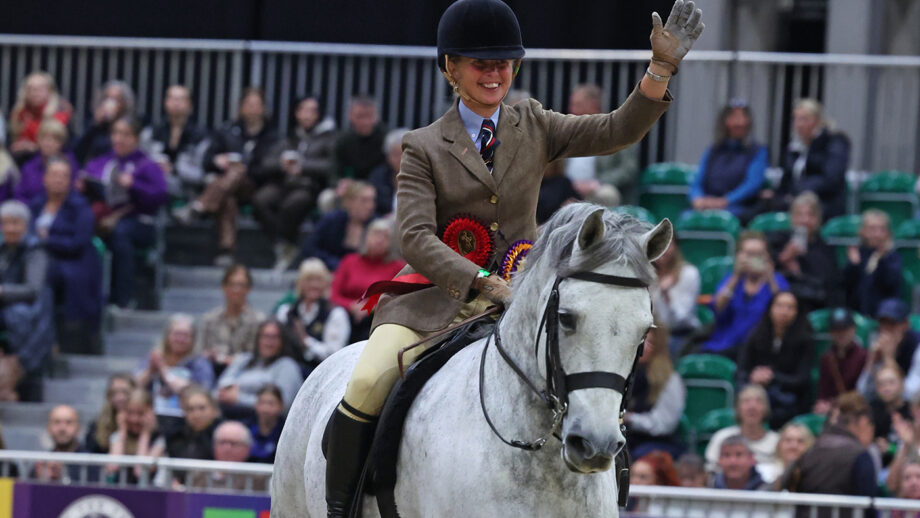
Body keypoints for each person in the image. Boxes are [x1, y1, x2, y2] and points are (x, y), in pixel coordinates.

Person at [323, 0, 704, 514]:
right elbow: (414, 237)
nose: (494, 73)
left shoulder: (534, 122)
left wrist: (659, 69)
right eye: (481, 63)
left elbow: (615, 130)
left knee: (592, 392)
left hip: (522, 302)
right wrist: (479, 280)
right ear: (450, 68)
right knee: (368, 382)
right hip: (434, 301)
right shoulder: (423, 147)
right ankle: (340, 508)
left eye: (503, 63)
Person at [173, 87, 278, 266]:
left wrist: (246, 167)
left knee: (238, 171)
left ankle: (198, 206)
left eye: (256, 104)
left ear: (263, 108)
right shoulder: (227, 130)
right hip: (226, 188)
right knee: (227, 199)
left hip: (255, 188)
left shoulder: (272, 136)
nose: (252, 108)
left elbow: (269, 168)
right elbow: (206, 160)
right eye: (248, 104)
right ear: (241, 107)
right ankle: (226, 252)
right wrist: (217, 160)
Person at [82, 115, 169, 308]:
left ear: (136, 139)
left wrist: (135, 185)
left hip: (139, 221)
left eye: (125, 134)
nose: (119, 139)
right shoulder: (101, 161)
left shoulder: (147, 165)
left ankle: (123, 297)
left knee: (119, 234)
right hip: (100, 218)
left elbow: (161, 196)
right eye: (116, 133)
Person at [254, 94, 337, 270]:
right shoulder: (289, 137)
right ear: (296, 113)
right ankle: (284, 243)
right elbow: (266, 162)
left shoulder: (327, 138)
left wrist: (303, 166)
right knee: (261, 199)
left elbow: (332, 165)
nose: (307, 115)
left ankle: (286, 244)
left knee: (293, 203)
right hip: (283, 183)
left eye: (312, 111)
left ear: (319, 114)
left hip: (309, 186)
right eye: (303, 110)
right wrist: (281, 164)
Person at [30, 157, 103, 354]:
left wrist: (48, 240)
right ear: (45, 178)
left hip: (74, 261)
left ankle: (49, 340)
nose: (59, 180)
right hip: (36, 259)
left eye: (64, 176)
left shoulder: (80, 207)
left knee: (45, 280)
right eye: (54, 175)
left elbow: (78, 243)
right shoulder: (36, 204)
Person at [780, 392, 877, 510]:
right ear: (863, 421)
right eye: (871, 426)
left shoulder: (811, 449)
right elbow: (867, 507)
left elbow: (786, 484)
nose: (872, 434)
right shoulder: (860, 455)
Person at [701, 231, 789, 359]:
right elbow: (718, 308)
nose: (753, 259)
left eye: (759, 254)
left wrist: (769, 276)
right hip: (727, 345)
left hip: (761, 348)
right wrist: (736, 276)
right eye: (749, 254)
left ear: (767, 256)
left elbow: (783, 308)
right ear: (738, 255)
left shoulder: (777, 281)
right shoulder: (731, 280)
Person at [0, 199, 54, 402]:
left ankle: (10, 379)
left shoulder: (36, 249)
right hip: (5, 307)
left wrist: (3, 291)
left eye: (16, 223)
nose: (10, 228)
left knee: (22, 319)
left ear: (25, 225)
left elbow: (33, 289)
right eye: (5, 223)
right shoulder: (2, 248)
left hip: (31, 308)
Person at [736, 291, 814, 428]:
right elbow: (742, 370)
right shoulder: (756, 335)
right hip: (758, 392)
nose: (784, 311)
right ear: (770, 309)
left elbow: (802, 379)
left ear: (797, 311)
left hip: (789, 400)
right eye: (779, 306)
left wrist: (773, 377)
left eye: (790, 307)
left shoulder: (805, 340)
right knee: (747, 395)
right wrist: (754, 376)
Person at [688, 99, 768, 224]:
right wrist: (697, 198)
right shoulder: (713, 151)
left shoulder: (757, 151)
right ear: (724, 121)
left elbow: (752, 185)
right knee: (685, 219)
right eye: (734, 117)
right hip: (707, 205)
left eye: (743, 117)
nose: (739, 122)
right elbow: (697, 181)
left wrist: (725, 201)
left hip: (738, 208)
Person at [135, 314, 215, 436]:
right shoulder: (154, 358)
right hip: (152, 419)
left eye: (185, 335)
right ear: (167, 336)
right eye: (177, 334)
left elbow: (198, 393)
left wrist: (163, 370)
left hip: (187, 423)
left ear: (193, 339)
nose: (180, 339)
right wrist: (150, 371)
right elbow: (132, 387)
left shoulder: (200, 363)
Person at [771, 98, 850, 221]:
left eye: (804, 119)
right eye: (796, 119)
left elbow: (831, 179)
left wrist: (799, 190)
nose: (799, 124)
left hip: (824, 203)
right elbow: (785, 180)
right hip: (792, 203)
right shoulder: (793, 147)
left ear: (818, 120)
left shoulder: (835, 141)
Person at [767, 191, 843, 313]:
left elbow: (827, 285)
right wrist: (785, 257)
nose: (805, 220)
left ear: (818, 219)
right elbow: (764, 268)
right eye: (800, 215)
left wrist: (799, 275)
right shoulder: (777, 240)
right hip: (778, 303)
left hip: (812, 305)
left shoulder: (825, 249)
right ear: (792, 217)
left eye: (810, 215)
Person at [330, 219, 405, 343]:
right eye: (376, 234)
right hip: (346, 315)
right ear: (366, 237)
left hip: (378, 319)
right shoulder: (349, 261)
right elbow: (334, 295)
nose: (380, 240)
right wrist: (351, 306)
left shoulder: (398, 267)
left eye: (385, 236)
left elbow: (398, 300)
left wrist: (369, 307)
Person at [565, 83, 640, 205]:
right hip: (568, 188)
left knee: (607, 195)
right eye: (572, 105)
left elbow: (629, 169)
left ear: (594, 106)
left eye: (578, 105)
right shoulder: (566, 130)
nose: (572, 110)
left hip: (599, 188)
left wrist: (596, 183)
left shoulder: (616, 129)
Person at [214, 319, 304, 420]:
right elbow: (217, 389)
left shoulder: (287, 365)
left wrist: (239, 398)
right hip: (227, 416)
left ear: (283, 341)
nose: (269, 342)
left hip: (267, 424)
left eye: (274, 337)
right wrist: (225, 394)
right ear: (258, 339)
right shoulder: (244, 359)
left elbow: (283, 405)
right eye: (265, 336)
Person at [623, 324, 686, 459]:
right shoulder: (624, 376)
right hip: (626, 438)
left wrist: (630, 419)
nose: (641, 346)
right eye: (639, 341)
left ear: (657, 348)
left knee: (638, 455)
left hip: (656, 443)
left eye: (648, 342)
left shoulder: (669, 379)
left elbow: (665, 424)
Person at [277, 259, 350, 374]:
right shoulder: (286, 311)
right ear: (300, 283)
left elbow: (334, 354)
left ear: (326, 284)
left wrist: (307, 341)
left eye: (319, 280)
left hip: (319, 372)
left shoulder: (335, 314)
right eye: (309, 280)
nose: (314, 285)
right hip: (287, 367)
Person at [195, 264, 266, 376]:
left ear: (249, 289)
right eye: (232, 284)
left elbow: (259, 357)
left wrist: (232, 360)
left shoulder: (259, 321)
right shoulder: (209, 319)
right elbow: (199, 352)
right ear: (224, 287)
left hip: (245, 373)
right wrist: (210, 355)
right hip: (211, 371)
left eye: (241, 285)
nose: (236, 290)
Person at [139, 85, 208, 196]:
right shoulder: (152, 132)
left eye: (181, 99)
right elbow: (140, 159)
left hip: (188, 191)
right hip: (154, 186)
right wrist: (155, 165)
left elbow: (202, 173)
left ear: (190, 105)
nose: (176, 103)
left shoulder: (200, 136)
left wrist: (175, 169)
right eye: (172, 98)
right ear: (165, 103)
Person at [301, 180, 376, 271]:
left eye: (372, 200)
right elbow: (309, 247)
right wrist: (335, 263)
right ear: (348, 202)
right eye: (364, 200)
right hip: (332, 271)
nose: (370, 206)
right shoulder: (332, 220)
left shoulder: (376, 225)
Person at [705, 384, 779, 475]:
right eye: (746, 401)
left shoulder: (777, 441)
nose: (752, 407)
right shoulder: (722, 437)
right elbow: (710, 472)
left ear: (766, 409)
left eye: (759, 401)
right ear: (737, 409)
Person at [857, 299, 920, 400]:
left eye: (892, 324)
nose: (886, 329)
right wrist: (871, 362)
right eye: (883, 323)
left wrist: (889, 359)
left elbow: (910, 395)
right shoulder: (879, 348)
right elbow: (863, 393)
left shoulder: (918, 347)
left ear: (906, 324)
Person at [844, 209, 902, 318]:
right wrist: (853, 265)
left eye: (882, 229)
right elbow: (846, 287)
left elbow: (890, 285)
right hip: (856, 315)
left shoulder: (892, 257)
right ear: (862, 231)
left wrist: (881, 260)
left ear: (888, 233)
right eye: (872, 229)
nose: (877, 234)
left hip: (885, 318)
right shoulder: (857, 254)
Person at [7, 71, 73, 163]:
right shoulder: (18, 114)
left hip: (51, 162)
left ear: (50, 92)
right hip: (21, 161)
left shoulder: (61, 115)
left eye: (40, 89)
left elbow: (65, 147)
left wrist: (34, 147)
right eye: (30, 89)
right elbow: (9, 142)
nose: (35, 93)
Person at [105, 389, 167, 485]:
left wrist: (145, 433)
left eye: (140, 413)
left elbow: (140, 472)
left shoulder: (158, 439)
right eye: (130, 412)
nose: (134, 419)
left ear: (150, 413)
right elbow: (112, 467)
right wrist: (122, 430)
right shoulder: (118, 436)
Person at [187, 421, 269, 491]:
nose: (227, 448)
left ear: (247, 448)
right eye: (222, 442)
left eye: (233, 443)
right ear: (214, 446)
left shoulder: (257, 479)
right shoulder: (199, 475)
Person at [651, 235, 700, 349]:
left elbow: (681, 318)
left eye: (666, 245)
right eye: (657, 245)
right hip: (652, 333)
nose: (661, 249)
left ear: (676, 247)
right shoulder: (646, 275)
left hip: (681, 333)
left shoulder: (689, 274)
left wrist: (667, 295)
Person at [815, 308, 868, 414]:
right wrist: (822, 404)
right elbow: (823, 391)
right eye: (836, 330)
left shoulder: (864, 356)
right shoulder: (826, 357)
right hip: (831, 409)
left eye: (844, 329)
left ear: (853, 329)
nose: (841, 334)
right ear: (830, 333)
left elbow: (864, 390)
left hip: (856, 408)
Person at [16, 118, 80, 203]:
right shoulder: (29, 167)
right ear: (38, 140)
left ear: (61, 143)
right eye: (45, 138)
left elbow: (74, 194)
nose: (49, 144)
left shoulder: (70, 166)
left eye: (55, 139)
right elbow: (19, 194)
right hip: (31, 211)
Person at [32, 405, 100, 483]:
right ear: (48, 428)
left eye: (69, 422)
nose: (62, 428)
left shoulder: (92, 462)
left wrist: (64, 476)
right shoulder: (42, 463)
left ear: (78, 428)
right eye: (56, 422)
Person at [75, 80, 136, 165]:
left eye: (116, 99)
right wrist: (95, 124)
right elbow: (78, 151)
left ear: (125, 103)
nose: (110, 103)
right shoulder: (95, 124)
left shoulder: (131, 125)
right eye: (107, 98)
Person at [333, 96, 386, 183]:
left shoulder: (386, 139)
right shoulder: (342, 140)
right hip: (350, 187)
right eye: (360, 116)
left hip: (380, 187)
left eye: (369, 116)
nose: (365, 122)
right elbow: (334, 172)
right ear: (350, 116)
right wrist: (340, 183)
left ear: (377, 117)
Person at [870, 363, 911, 467]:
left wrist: (891, 448)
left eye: (891, 382)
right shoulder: (871, 410)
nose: (886, 388)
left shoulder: (912, 411)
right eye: (881, 384)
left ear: (902, 383)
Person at [85, 373, 137, 454]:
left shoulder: (144, 425)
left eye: (125, 392)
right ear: (108, 396)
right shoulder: (96, 427)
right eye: (114, 393)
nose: (119, 398)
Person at [367, 128, 408, 218]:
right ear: (388, 156)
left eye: (404, 153)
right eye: (395, 154)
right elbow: (370, 207)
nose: (400, 159)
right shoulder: (378, 176)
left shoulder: (423, 176)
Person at [764, 422, 814, 487]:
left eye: (800, 441)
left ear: (809, 445)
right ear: (779, 444)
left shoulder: (815, 475)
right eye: (788, 440)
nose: (794, 446)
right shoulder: (764, 472)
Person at [247, 384, 285, 464]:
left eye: (271, 404)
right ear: (256, 405)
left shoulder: (286, 433)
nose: (266, 409)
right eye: (262, 403)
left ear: (281, 406)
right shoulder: (245, 429)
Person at [536, 159, 581, 224]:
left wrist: (570, 206)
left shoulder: (564, 182)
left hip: (559, 224)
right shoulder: (534, 185)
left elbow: (577, 202)